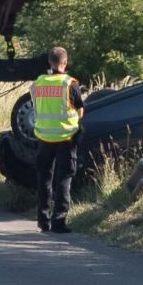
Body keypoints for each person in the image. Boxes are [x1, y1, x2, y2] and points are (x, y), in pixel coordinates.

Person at [31, 46, 85, 233]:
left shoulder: (38, 83)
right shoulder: (69, 84)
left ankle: (43, 220)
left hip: (44, 137)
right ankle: (59, 221)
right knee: (63, 179)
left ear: (49, 62)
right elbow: (80, 109)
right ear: (65, 62)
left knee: (44, 179)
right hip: (66, 138)